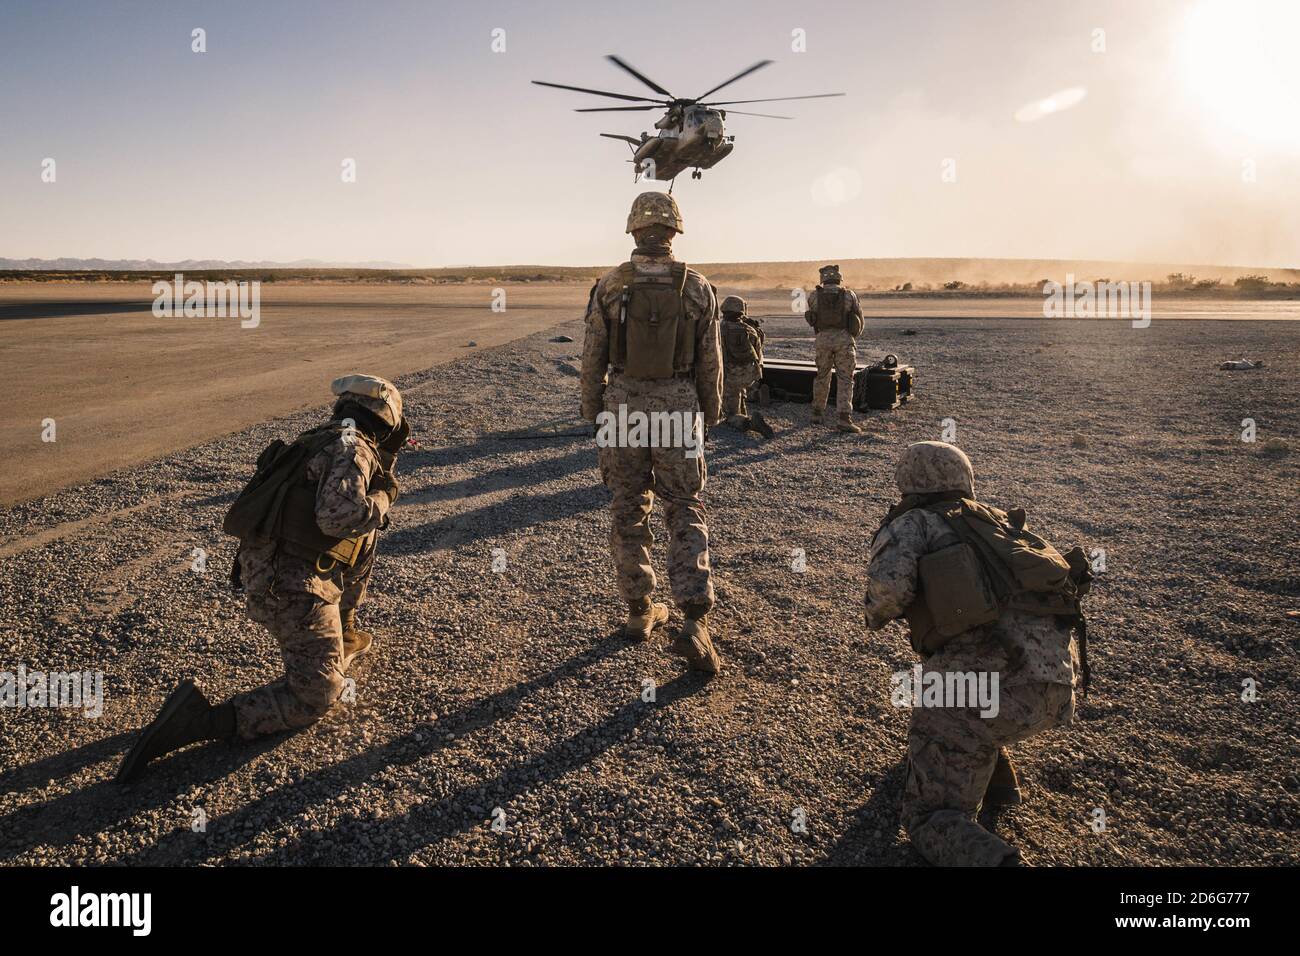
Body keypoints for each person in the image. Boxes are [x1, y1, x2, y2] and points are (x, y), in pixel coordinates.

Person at [116, 374, 409, 782]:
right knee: (317, 697)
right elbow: (338, 517)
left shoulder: (317, 439)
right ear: (386, 421)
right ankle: (200, 722)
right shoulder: (352, 448)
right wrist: (385, 497)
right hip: (292, 587)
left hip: (270, 572)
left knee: (365, 536)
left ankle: (342, 630)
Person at [863, 441, 1089, 865]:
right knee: (969, 677)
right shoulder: (997, 521)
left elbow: (885, 599)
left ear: (907, 482)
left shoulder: (911, 524)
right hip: (1058, 686)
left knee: (926, 814)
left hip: (987, 694)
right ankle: (997, 781)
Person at [579, 191, 724, 674]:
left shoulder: (610, 284)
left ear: (634, 231)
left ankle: (640, 611)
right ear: (674, 232)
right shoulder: (698, 287)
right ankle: (693, 618)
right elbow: (711, 361)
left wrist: (592, 410)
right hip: (678, 406)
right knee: (684, 506)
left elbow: (592, 356)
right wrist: (712, 411)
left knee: (627, 504)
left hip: (622, 405)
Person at [804, 264, 865, 433]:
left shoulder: (814, 295)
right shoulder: (849, 295)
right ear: (839, 277)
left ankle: (817, 413)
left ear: (823, 279)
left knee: (822, 376)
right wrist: (851, 336)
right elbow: (859, 319)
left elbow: (812, 317)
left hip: (822, 340)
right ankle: (844, 418)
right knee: (845, 378)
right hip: (844, 339)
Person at [719, 294, 773, 438]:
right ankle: (754, 393)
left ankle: (749, 423)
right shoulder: (749, 329)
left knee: (727, 415)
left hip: (729, 376)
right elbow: (758, 348)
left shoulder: (718, 328)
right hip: (751, 373)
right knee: (739, 387)